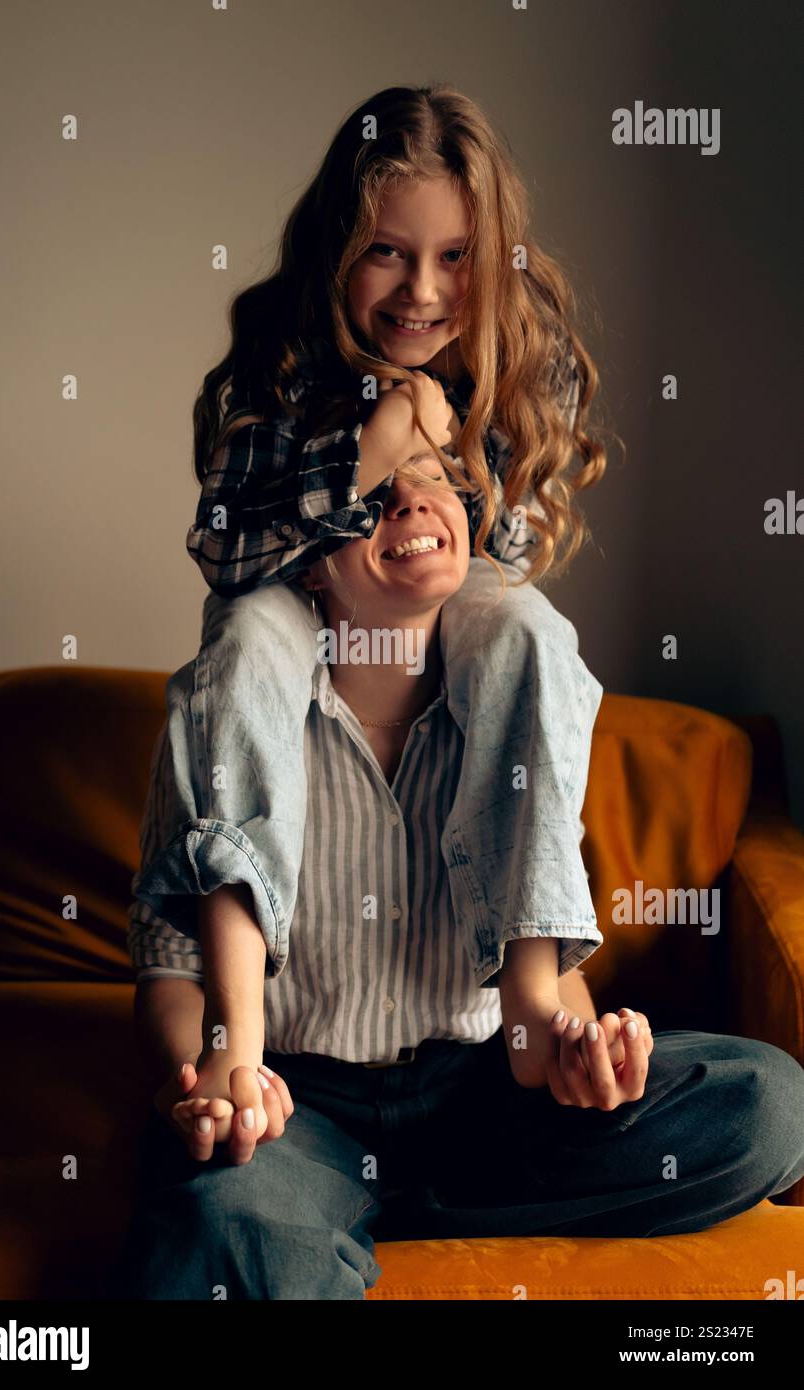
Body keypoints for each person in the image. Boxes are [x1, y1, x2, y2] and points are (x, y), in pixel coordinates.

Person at [106, 457, 804, 1301]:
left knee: (769, 1102)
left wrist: (582, 1059)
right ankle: (303, 1209)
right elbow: (172, 977)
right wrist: (223, 1089)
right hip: (305, 1105)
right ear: (307, 549)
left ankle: (364, 1215)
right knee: (219, 1226)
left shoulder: (518, 697)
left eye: (437, 472)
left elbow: (545, 965)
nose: (412, 497)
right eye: (370, 488)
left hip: (485, 1095)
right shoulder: (231, 715)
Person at [128, 84, 611, 1129]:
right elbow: (224, 549)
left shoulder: (516, 357)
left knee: (529, 628)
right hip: (295, 577)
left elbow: (510, 544)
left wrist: (448, 476)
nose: (420, 292)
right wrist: (360, 462)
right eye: (387, 252)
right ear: (337, 250)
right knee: (249, 636)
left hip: (456, 581)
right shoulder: (284, 357)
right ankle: (244, 1050)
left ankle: (527, 991)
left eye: (452, 258)